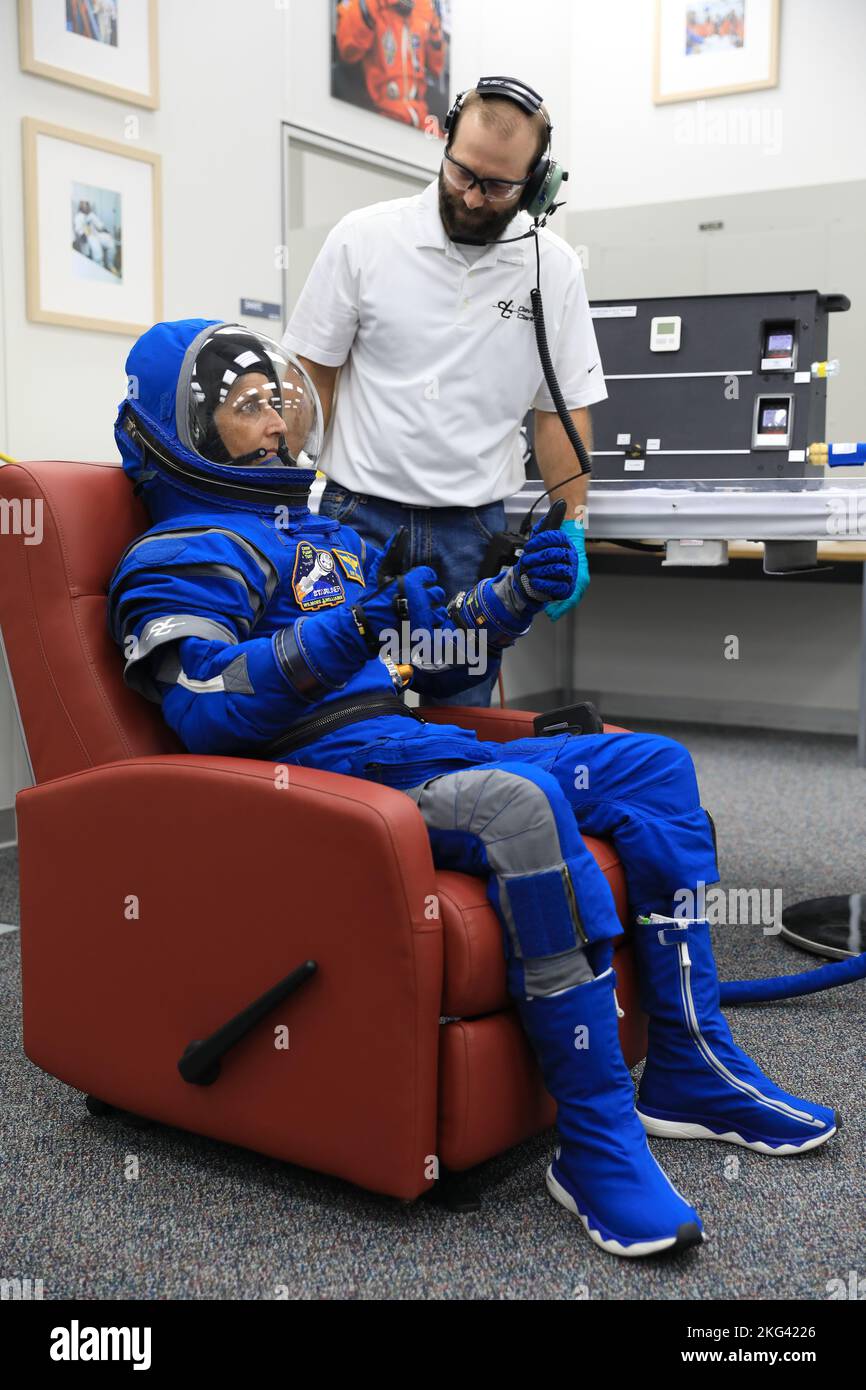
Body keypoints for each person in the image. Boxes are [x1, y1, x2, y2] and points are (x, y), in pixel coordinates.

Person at [108, 319, 837, 1259]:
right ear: (186, 437)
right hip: (324, 779)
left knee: (655, 767)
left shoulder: (316, 533)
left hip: (410, 743)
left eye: (276, 400)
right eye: (247, 409)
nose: (278, 422)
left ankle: (690, 1063)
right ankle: (595, 1142)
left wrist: (506, 602)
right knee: (518, 806)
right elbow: (207, 702)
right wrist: (347, 635)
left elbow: (414, 652)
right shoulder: (179, 551)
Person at [282, 75, 603, 708]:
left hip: (474, 535)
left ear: (539, 183)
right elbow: (309, 380)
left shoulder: (554, 270)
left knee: (461, 716)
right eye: (462, 173)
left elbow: (559, 416)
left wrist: (574, 528)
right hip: (357, 520)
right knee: (339, 701)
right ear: (444, 141)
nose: (474, 197)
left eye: (500, 185)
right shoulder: (365, 238)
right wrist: (282, 495)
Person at [335, 0, 445, 130]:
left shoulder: (425, 6)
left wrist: (435, 31)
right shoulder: (363, 4)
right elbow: (348, 51)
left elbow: (436, 68)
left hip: (420, 114)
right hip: (378, 113)